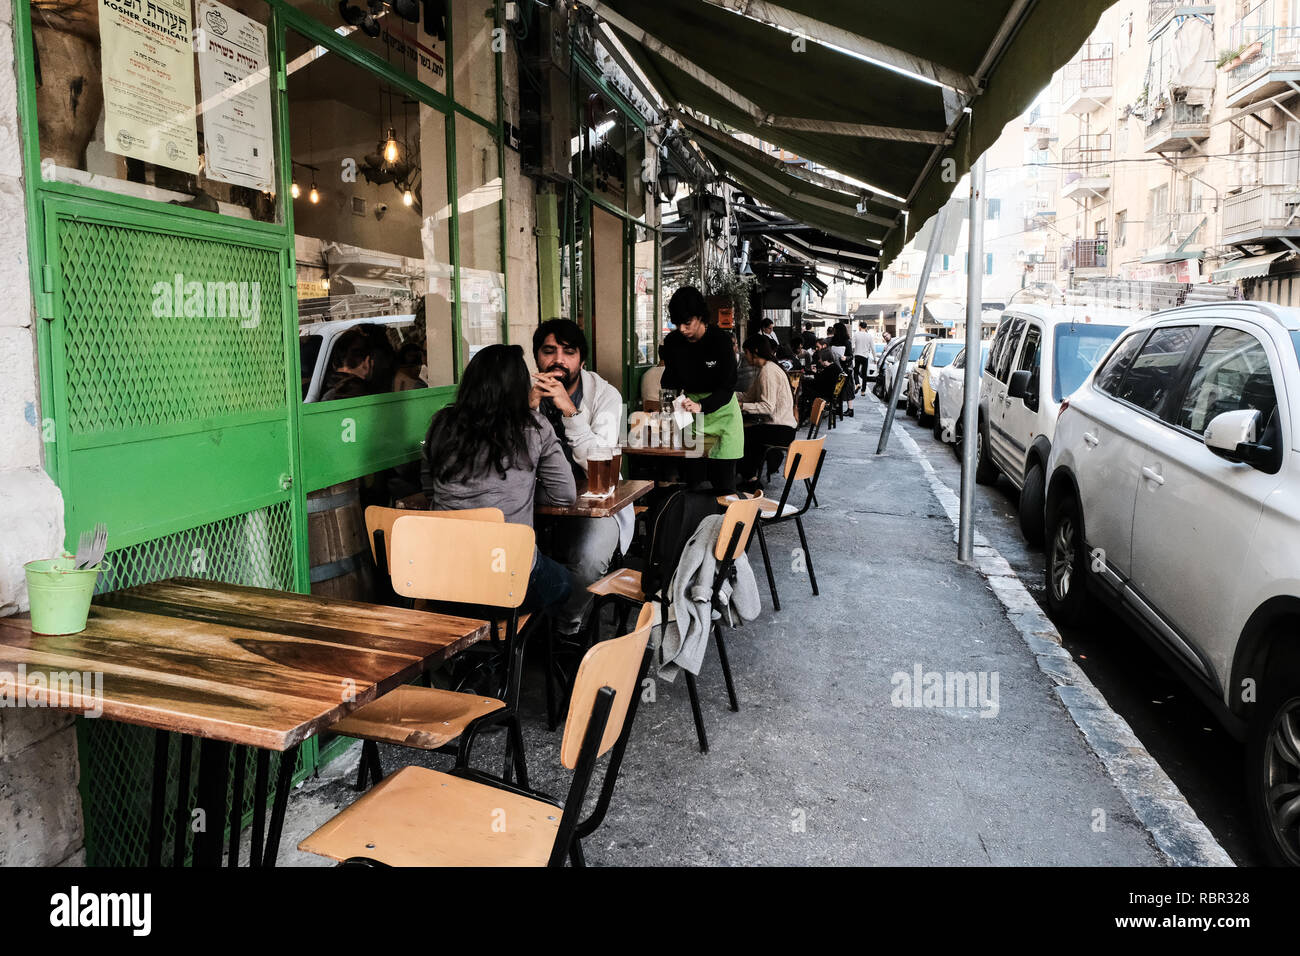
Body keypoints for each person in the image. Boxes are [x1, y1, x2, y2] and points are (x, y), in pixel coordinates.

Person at [421, 343, 575, 614]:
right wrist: (519, 491)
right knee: (563, 582)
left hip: (443, 582)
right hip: (506, 580)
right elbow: (565, 494)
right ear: (518, 387)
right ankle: (522, 649)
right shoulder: (534, 427)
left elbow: (430, 488)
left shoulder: (441, 423)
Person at [529, 318, 631, 638]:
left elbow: (597, 463)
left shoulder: (606, 396)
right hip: (535, 502)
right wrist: (528, 411)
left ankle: (566, 626)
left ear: (581, 360)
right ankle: (526, 629)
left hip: (597, 503)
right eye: (549, 351)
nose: (557, 359)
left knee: (590, 558)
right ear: (537, 358)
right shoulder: (525, 393)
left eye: (568, 352)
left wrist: (570, 411)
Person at [660, 285, 744, 494]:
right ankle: (695, 525)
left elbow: (728, 387)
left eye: (687, 323)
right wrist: (674, 402)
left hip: (722, 413)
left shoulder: (721, 341)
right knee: (693, 485)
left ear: (700, 317)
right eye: (677, 323)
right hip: (691, 415)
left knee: (724, 488)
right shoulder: (673, 342)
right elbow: (669, 380)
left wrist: (701, 405)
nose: (682, 329)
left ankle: (729, 525)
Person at [737, 335, 797, 493]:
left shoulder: (768, 371)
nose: (745, 356)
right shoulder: (765, 369)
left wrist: (742, 405)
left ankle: (751, 480)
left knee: (740, 434)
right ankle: (749, 477)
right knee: (745, 430)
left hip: (780, 429)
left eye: (746, 352)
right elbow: (748, 395)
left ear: (754, 351)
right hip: (780, 427)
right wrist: (728, 397)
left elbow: (767, 407)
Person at [319, 329, 373, 401]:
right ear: (342, 354)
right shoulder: (347, 391)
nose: (367, 360)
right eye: (358, 353)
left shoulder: (328, 384)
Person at [830, 321, 856, 418]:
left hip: (844, 367)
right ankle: (838, 408)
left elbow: (851, 356)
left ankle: (850, 409)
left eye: (835, 329)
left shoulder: (846, 342)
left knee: (847, 388)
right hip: (836, 366)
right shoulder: (833, 340)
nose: (834, 331)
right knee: (837, 389)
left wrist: (846, 358)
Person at [852, 321, 876, 395]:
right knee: (864, 373)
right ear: (866, 328)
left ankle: (857, 383)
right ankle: (863, 391)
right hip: (865, 356)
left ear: (859, 327)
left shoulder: (856, 334)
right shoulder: (869, 336)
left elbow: (852, 345)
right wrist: (875, 358)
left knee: (856, 371)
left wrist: (853, 353)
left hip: (857, 355)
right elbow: (873, 348)